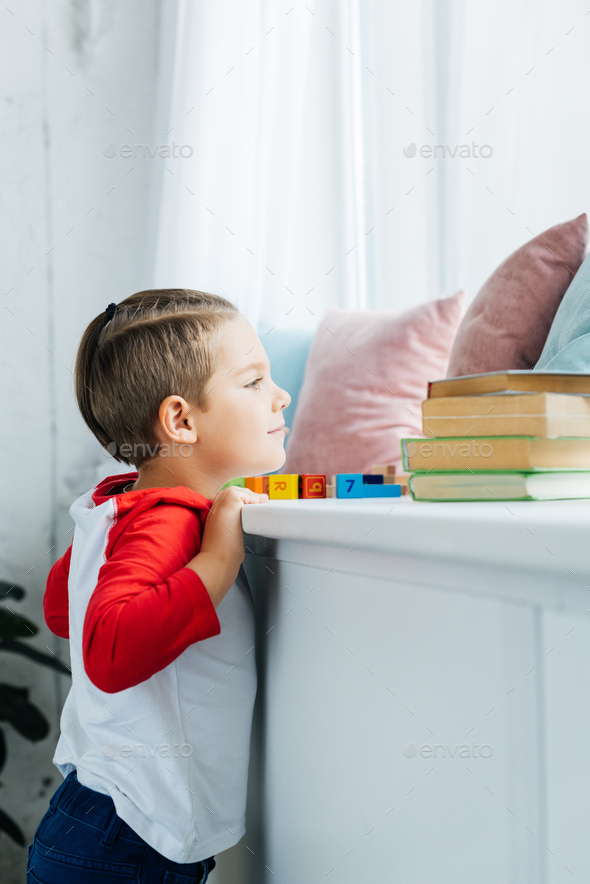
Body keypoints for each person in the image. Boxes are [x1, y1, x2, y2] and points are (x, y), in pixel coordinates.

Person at [27, 289, 290, 883]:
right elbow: (110, 651)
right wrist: (221, 555)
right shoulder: (169, 518)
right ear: (181, 420)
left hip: (98, 817)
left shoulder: (121, 505)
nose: (281, 395)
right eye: (253, 382)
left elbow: (63, 610)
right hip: (126, 838)